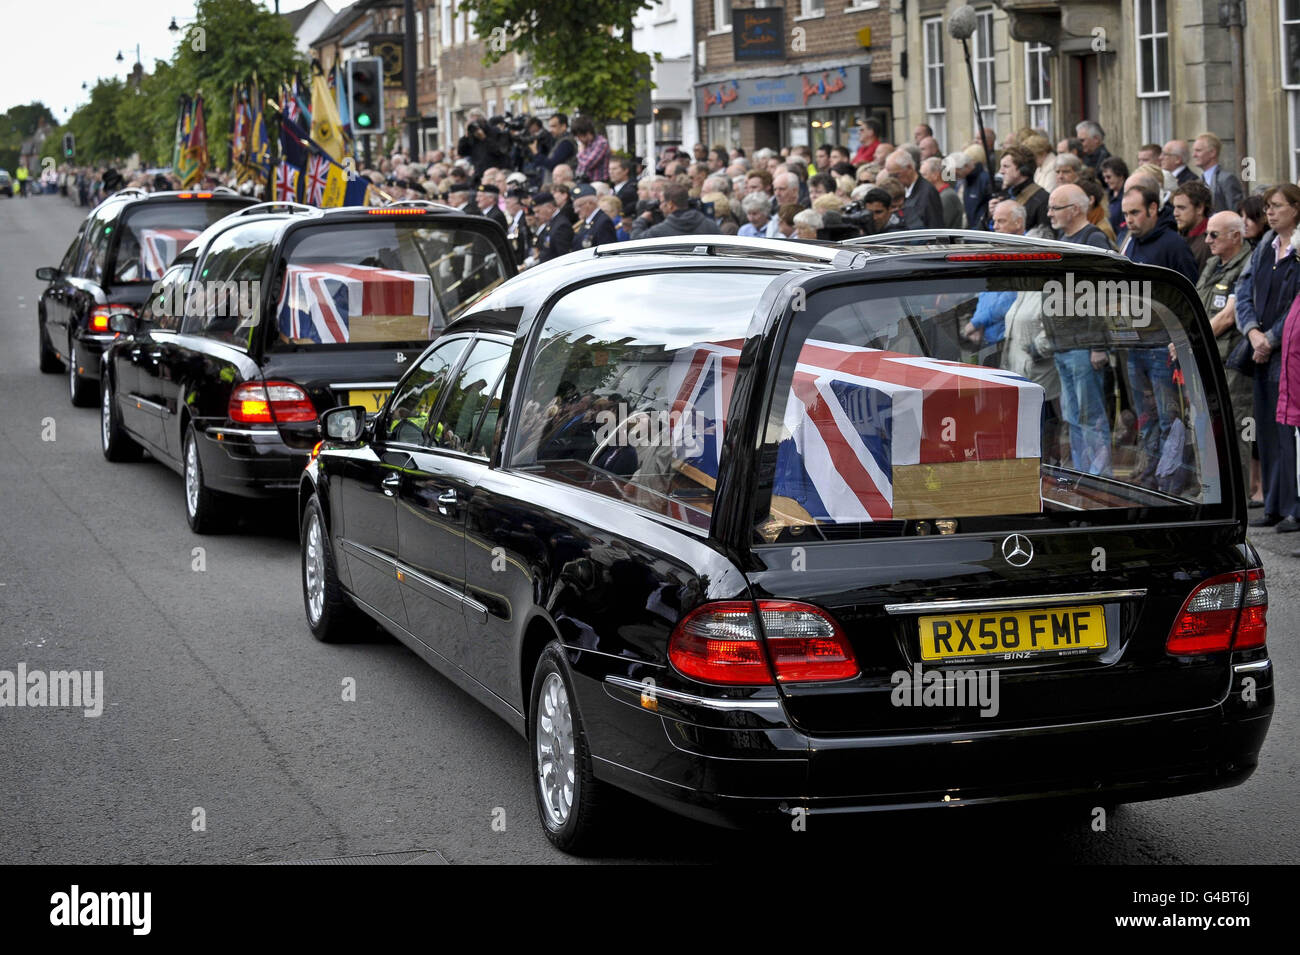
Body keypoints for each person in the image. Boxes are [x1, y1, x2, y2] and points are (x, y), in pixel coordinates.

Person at [1234, 183, 1300, 530]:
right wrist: (1252, 332)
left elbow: (1296, 307)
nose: (1270, 213)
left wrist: (1270, 339)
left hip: (1286, 352)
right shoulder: (1265, 246)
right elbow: (1243, 291)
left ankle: (1293, 506)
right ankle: (1273, 503)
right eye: (1267, 207)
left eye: (1277, 206)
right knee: (1266, 430)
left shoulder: (1298, 249)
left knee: (1287, 431)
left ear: (1296, 208)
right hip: (1259, 350)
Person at [1123, 183, 1196, 486]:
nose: (1129, 220)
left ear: (1153, 209)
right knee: (1146, 417)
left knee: (1169, 418)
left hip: (1162, 346)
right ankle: (1151, 473)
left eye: (1135, 212)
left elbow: (1189, 294)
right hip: (1134, 343)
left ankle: (1171, 480)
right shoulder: (1130, 244)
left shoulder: (1173, 245)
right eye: (1125, 214)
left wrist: (1179, 338)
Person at [1046, 184, 1114, 474]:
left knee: (1090, 416)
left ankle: (1100, 477)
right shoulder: (1063, 239)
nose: (1049, 214)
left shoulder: (1093, 239)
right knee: (1073, 418)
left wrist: (1098, 345)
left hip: (1083, 346)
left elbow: (1102, 294)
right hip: (1063, 344)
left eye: (1055, 208)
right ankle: (1083, 476)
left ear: (1075, 209)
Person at [1195, 211, 1254, 496]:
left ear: (1236, 236)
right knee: (1204, 425)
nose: (1207, 240)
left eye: (1214, 234)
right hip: (1206, 357)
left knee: (1236, 427)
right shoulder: (1212, 264)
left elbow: (1229, 316)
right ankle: (1210, 490)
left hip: (1230, 361)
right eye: (1207, 233)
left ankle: (1236, 495)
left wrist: (1191, 338)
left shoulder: (1247, 263)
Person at [984, 145, 1049, 233]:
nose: (1001, 171)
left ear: (1023, 169)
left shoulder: (1042, 200)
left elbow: (1045, 235)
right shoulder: (1004, 195)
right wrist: (989, 216)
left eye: (1006, 166)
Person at [629, 182, 719, 238]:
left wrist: (642, 220)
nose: (660, 207)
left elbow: (636, 239)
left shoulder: (661, 231)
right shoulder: (709, 225)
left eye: (662, 202)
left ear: (670, 205)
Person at [885, 150, 943, 230]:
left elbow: (935, 225)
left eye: (896, 175)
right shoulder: (904, 189)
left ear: (909, 168)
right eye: (890, 176)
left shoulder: (927, 192)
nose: (893, 180)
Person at [1192, 132, 1244, 214]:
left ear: (1212, 152)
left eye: (1198, 150)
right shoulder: (1198, 182)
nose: (1194, 155)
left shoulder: (1227, 179)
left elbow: (1235, 211)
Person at [1171, 180, 1213, 272]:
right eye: (1175, 207)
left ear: (1199, 208)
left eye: (1181, 208)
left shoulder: (1210, 242)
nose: (1175, 213)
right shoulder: (1180, 236)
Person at [528, 113, 577, 183]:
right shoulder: (557, 140)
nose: (550, 130)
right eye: (550, 127)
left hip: (562, 185)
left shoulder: (566, 142)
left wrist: (536, 153)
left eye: (554, 126)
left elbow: (552, 164)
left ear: (563, 126)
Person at [528, 191, 573, 264]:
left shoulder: (561, 226)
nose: (536, 215)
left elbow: (564, 257)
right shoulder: (551, 224)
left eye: (538, 211)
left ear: (549, 207)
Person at [570, 183, 618, 249]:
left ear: (590, 203)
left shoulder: (603, 222)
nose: (576, 211)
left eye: (579, 206)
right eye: (575, 207)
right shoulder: (588, 221)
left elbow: (607, 251)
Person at [920, 157, 963, 228]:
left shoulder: (947, 196)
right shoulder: (937, 194)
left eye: (924, 175)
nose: (921, 179)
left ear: (935, 175)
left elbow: (938, 225)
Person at [572, 117, 610, 183]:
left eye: (579, 136)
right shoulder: (585, 144)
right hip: (583, 181)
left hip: (598, 182)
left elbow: (587, 164)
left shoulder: (601, 143)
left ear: (588, 133)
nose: (578, 139)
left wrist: (581, 152)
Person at [1099, 156, 1130, 236]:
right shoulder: (1106, 195)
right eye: (1104, 177)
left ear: (1120, 176)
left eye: (1109, 177)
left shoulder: (1128, 197)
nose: (1106, 181)